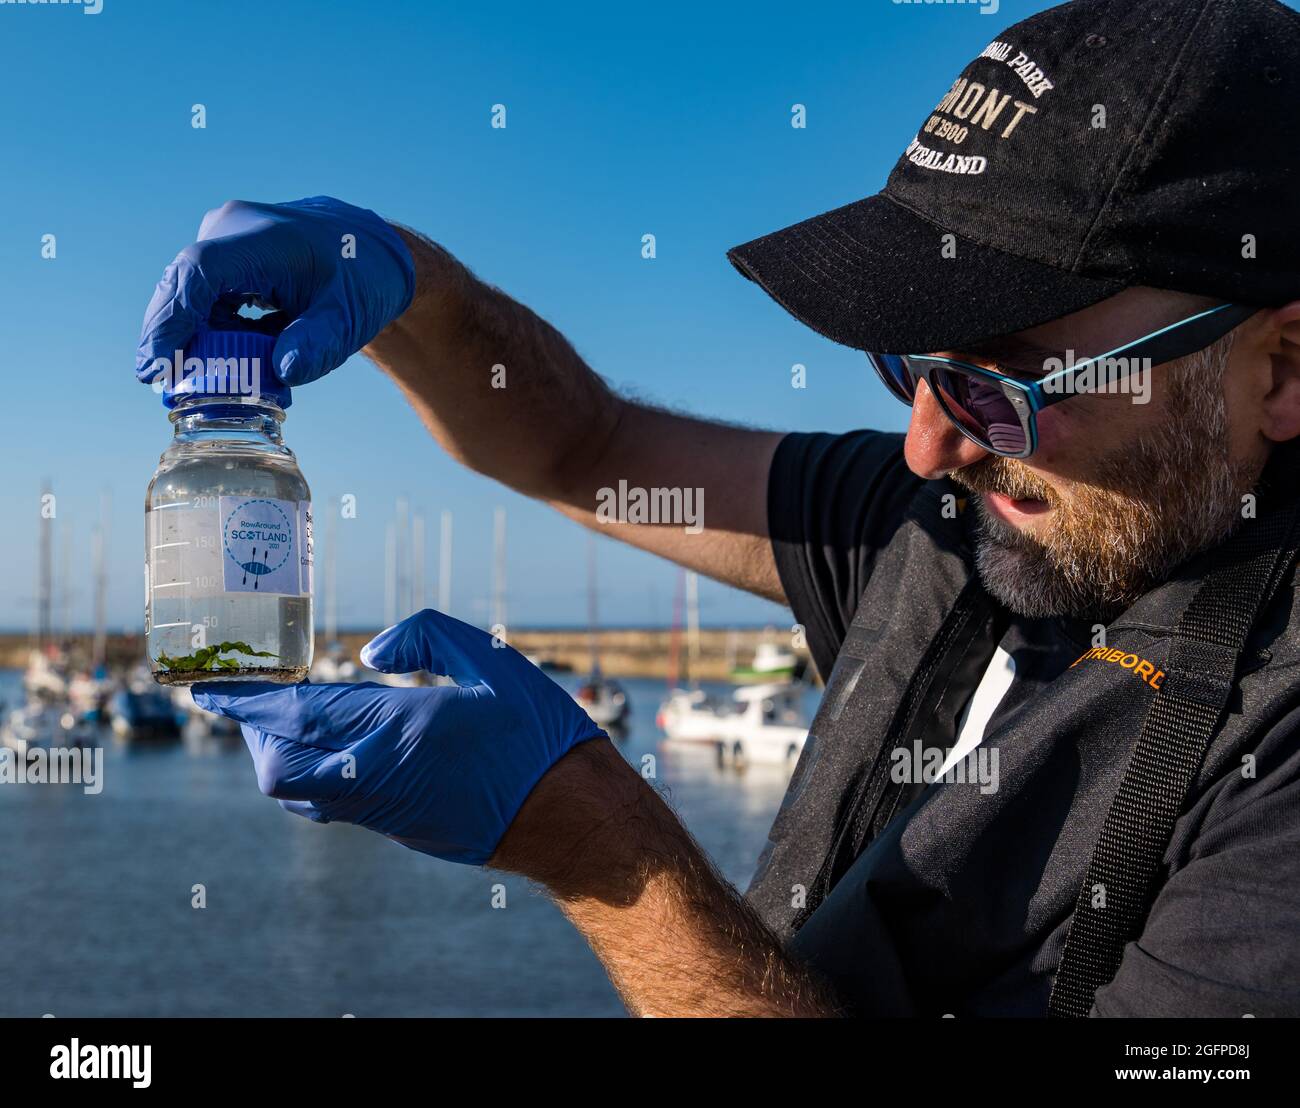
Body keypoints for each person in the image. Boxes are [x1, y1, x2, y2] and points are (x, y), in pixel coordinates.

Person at [135, 0, 1300, 1017]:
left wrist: (596, 844)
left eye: (1005, 384)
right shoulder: (937, 519)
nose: (925, 443)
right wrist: (406, 278)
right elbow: (581, 443)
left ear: (1280, 370)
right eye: (912, 365)